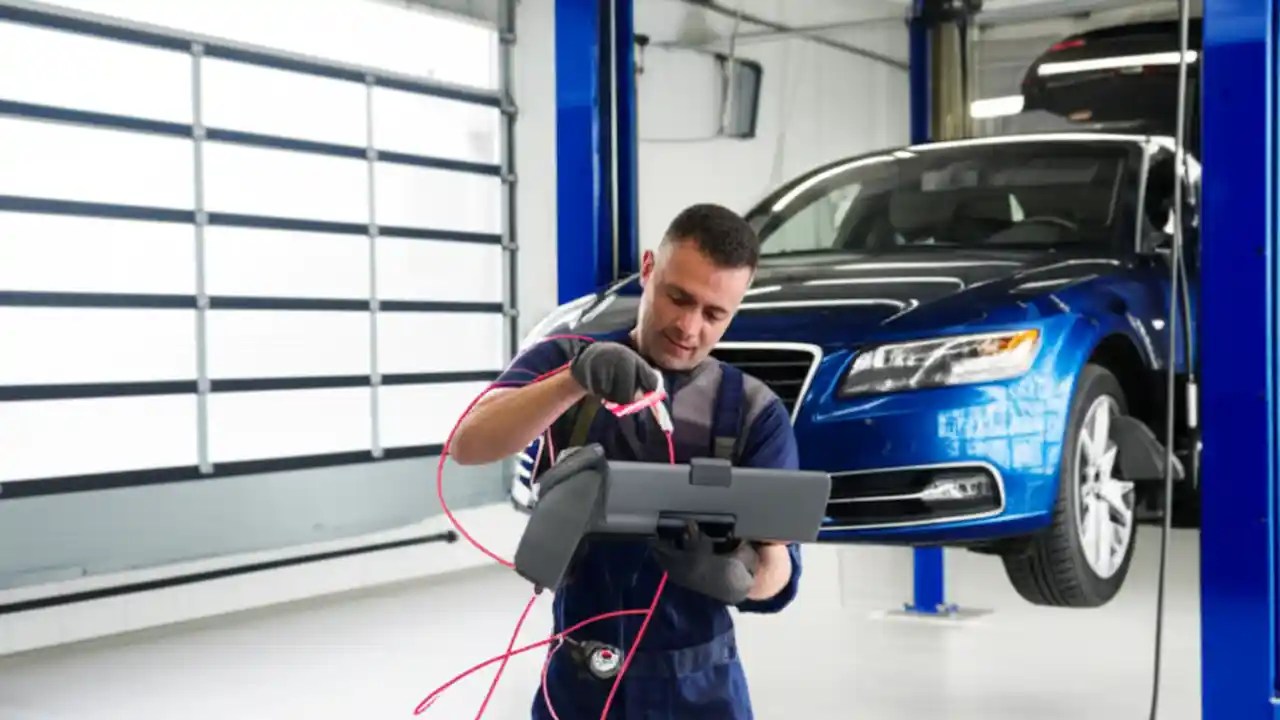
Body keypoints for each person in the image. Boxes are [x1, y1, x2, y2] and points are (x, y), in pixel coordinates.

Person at [449, 203, 802, 719]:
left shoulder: (752, 412)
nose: (688, 326)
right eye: (678, 297)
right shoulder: (565, 360)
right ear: (647, 269)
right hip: (581, 682)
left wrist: (735, 577)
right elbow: (469, 443)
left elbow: (780, 569)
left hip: (702, 690)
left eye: (713, 314)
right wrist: (573, 380)